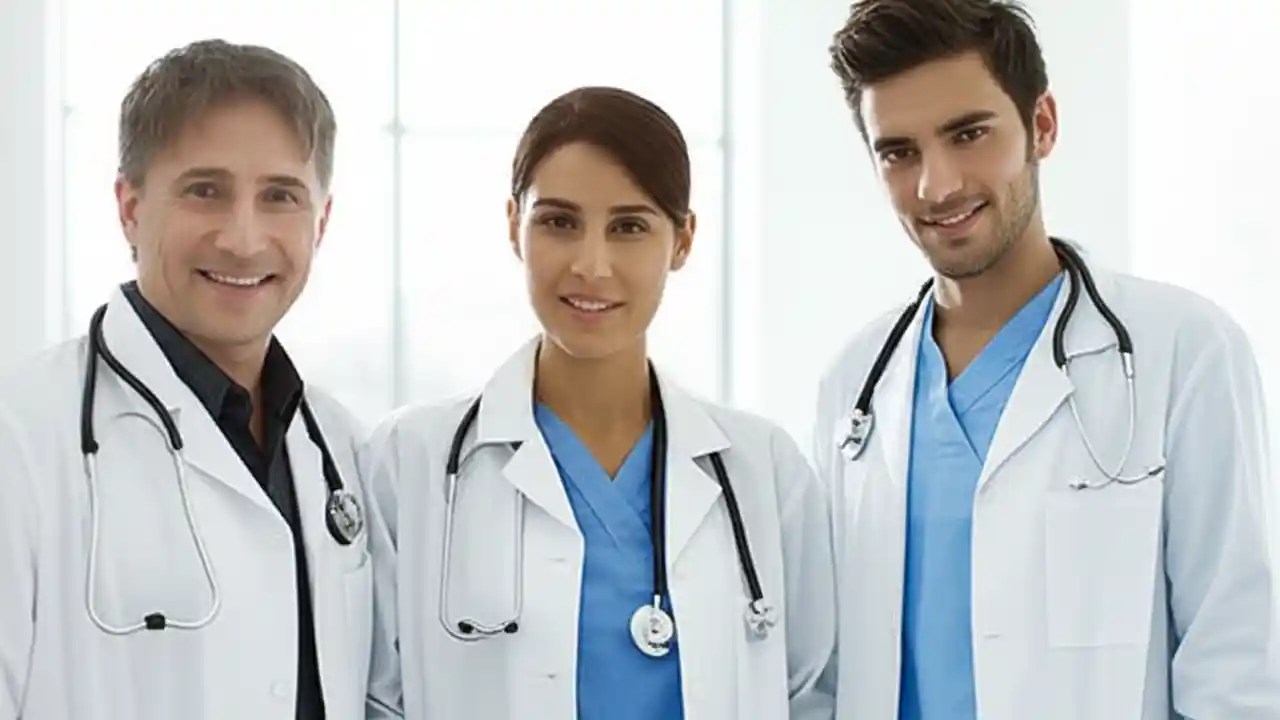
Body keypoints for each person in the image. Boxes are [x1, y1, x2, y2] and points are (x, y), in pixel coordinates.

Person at [814, 1, 1280, 718]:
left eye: (968, 134)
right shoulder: (856, 384)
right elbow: (832, 671)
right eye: (898, 151)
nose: (937, 186)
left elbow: (1235, 661)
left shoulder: (1183, 351)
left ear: (1042, 125)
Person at [361, 86, 836, 719]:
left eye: (629, 227)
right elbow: (373, 698)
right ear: (513, 226)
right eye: (559, 222)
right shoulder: (409, 461)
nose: (592, 265)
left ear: (683, 240)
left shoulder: (763, 470)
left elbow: (812, 697)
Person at [0, 40, 374, 719]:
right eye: (206, 190)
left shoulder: (343, 449)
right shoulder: (22, 442)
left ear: (320, 222)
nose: (242, 237)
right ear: (131, 209)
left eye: (280, 196)